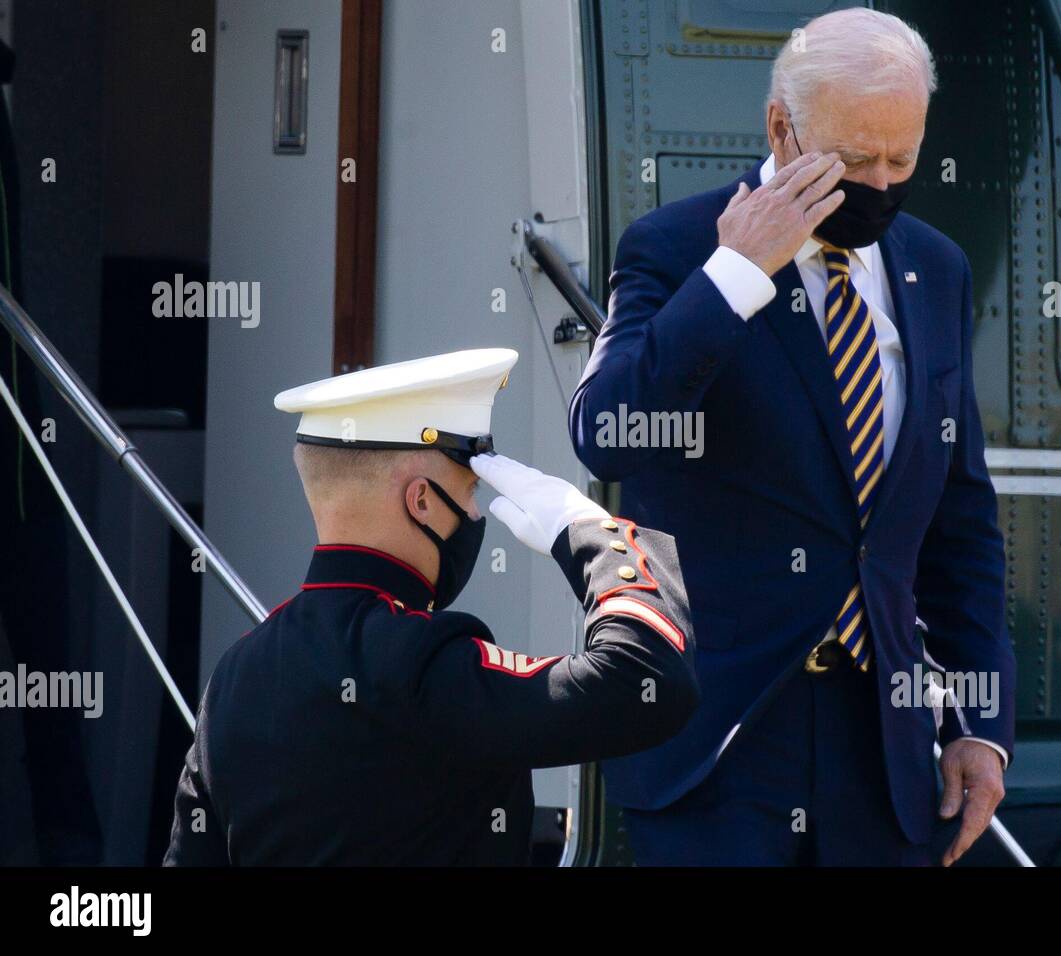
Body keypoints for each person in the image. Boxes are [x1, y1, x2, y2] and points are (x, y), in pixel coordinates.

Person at [570, 8, 1014, 865]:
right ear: (782, 126)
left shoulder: (937, 269)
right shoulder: (675, 248)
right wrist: (732, 277)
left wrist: (978, 725)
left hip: (881, 751)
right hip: (720, 746)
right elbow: (608, 434)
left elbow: (959, 521)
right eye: (853, 161)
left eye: (904, 157)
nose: (882, 185)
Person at [164, 348, 697, 865]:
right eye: (468, 493)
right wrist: (590, 534)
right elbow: (646, 681)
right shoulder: (421, 661)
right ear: (420, 500)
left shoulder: (235, 678)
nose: (474, 513)